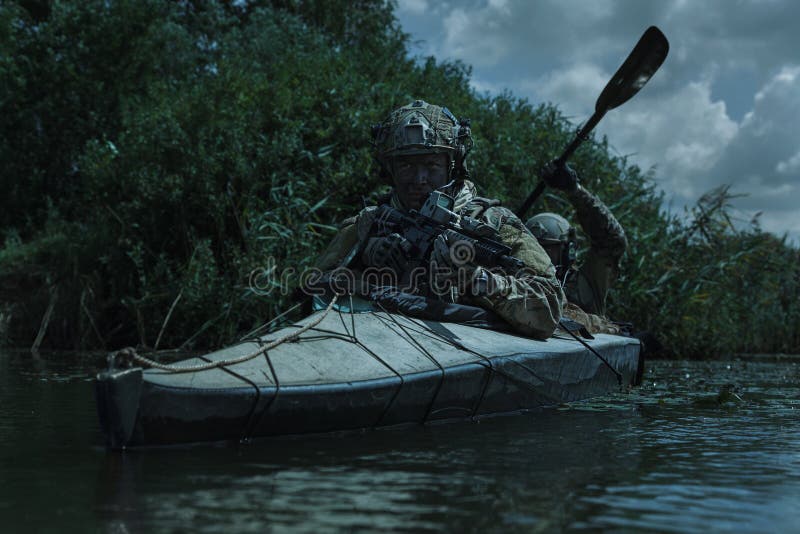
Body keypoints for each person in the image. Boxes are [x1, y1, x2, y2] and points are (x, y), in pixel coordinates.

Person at [315, 100, 565, 339]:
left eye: (432, 164)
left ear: (453, 164)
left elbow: (550, 312)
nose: (419, 178)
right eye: (406, 166)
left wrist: (479, 279)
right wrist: (365, 256)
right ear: (389, 168)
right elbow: (311, 288)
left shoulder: (496, 224)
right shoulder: (367, 224)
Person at [525, 162, 627, 334]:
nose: (538, 255)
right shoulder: (518, 279)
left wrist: (574, 190)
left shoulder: (585, 283)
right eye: (533, 247)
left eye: (547, 249)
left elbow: (613, 240)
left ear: (568, 251)